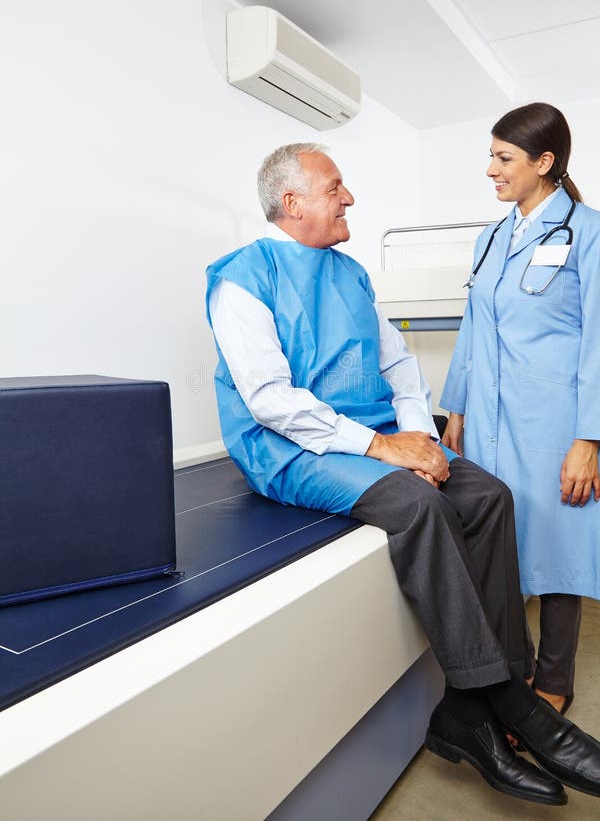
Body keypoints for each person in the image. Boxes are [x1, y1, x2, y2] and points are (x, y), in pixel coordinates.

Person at [206, 142, 600, 806]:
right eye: (336, 187)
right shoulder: (242, 279)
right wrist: (382, 446)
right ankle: (510, 702)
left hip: (376, 434)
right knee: (422, 507)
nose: (350, 197)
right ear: (293, 202)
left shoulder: (351, 274)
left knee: (488, 495)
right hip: (293, 448)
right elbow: (270, 400)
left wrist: (421, 438)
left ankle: (472, 706)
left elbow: (397, 366)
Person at [441, 103, 600, 718]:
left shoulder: (587, 232)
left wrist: (589, 439)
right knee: (497, 546)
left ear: (544, 162)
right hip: (487, 417)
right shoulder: (490, 238)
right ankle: (515, 670)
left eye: (503, 158)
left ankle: (554, 680)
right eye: (491, 156)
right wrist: (455, 410)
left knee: (558, 546)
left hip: (555, 421)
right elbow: (473, 329)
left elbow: (598, 341)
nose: (491, 169)